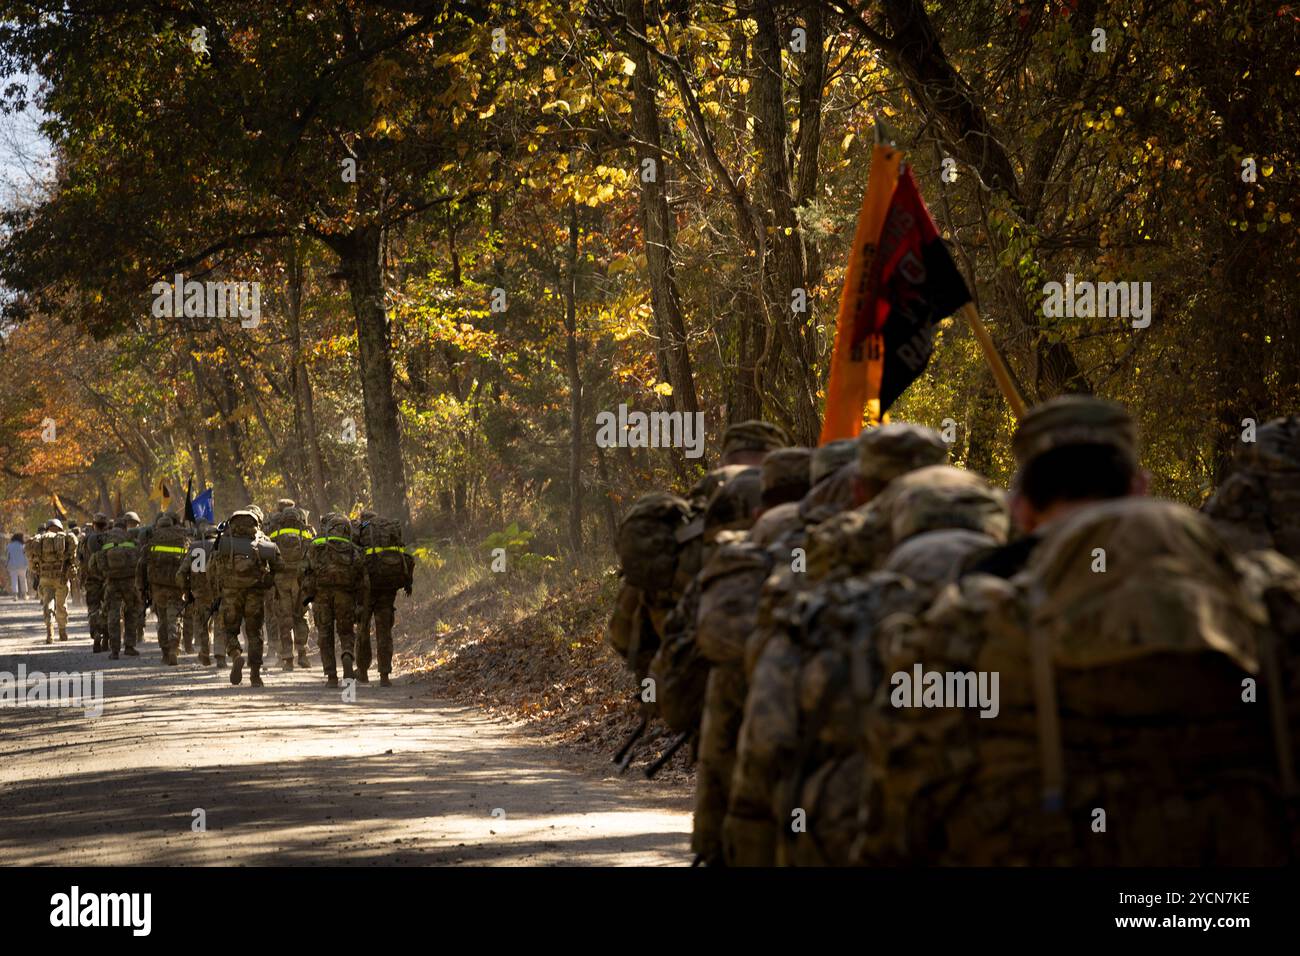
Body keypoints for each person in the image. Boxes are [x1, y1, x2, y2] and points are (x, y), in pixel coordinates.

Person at [211, 509, 282, 687]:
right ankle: (255, 675)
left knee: (229, 630)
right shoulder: (262, 539)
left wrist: (217, 589)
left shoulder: (224, 539)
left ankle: (235, 655)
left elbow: (212, 566)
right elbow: (278, 563)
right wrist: (269, 580)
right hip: (255, 592)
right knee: (255, 633)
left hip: (230, 592)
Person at [303, 513, 367, 688]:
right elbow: (361, 578)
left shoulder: (317, 545)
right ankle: (347, 654)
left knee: (325, 635)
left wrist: (308, 593)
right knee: (346, 632)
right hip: (345, 596)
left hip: (321, 597)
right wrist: (360, 602)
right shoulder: (353, 549)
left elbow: (306, 570)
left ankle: (331, 676)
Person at [353, 510, 413, 686]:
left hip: (367, 587)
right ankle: (384, 675)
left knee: (363, 629)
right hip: (388, 586)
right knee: (384, 630)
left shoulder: (362, 527)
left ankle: (363, 671)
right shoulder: (389, 528)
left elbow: (353, 554)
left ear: (364, 519)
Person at [266, 499, 314, 669]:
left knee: (284, 618)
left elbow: (267, 551)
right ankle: (302, 654)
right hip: (300, 579)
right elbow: (313, 550)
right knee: (301, 616)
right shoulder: (305, 528)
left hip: (281, 578)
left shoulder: (274, 527)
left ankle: (287, 658)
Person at [137, 513, 191, 665]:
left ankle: (165, 652)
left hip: (157, 586)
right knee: (175, 618)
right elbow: (189, 562)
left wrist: (141, 588)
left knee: (162, 619)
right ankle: (174, 646)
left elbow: (142, 565)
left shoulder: (152, 539)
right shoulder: (182, 539)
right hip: (176, 585)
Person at [92, 517, 142, 660]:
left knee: (113, 614)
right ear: (125, 527)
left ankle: (114, 650)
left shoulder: (106, 538)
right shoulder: (129, 537)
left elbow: (98, 558)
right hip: (129, 581)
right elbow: (138, 556)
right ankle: (130, 646)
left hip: (112, 581)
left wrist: (104, 574)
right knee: (131, 612)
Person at [31, 518, 76, 644]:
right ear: (60, 527)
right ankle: (62, 631)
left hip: (45, 578)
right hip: (61, 577)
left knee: (48, 604)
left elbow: (33, 560)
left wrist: (36, 571)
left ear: (47, 527)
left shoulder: (40, 539)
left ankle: (50, 633)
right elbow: (73, 557)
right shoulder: (65, 538)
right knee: (61, 605)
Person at [78, 514, 111, 651]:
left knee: (93, 608)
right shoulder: (110, 538)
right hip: (108, 578)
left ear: (94, 524)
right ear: (106, 525)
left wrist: (81, 579)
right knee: (108, 609)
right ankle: (106, 640)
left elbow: (79, 559)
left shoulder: (85, 540)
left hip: (91, 579)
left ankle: (96, 633)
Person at [6, 533, 28, 601]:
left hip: (12, 565)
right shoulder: (23, 546)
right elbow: (26, 556)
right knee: (23, 580)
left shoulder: (9, 546)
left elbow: (7, 556)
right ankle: (25, 595)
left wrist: (6, 564)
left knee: (14, 580)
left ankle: (15, 595)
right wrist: (27, 564)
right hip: (22, 565)